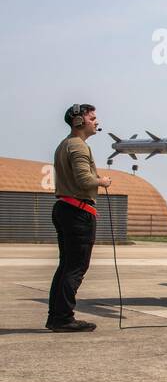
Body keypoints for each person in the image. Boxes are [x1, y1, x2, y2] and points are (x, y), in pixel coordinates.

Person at [47, 103, 112, 332]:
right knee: (75, 268)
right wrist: (102, 181)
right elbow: (85, 181)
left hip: (67, 208)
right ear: (79, 121)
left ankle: (56, 316)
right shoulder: (78, 146)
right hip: (77, 212)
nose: (96, 122)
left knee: (66, 266)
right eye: (92, 118)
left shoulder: (65, 144)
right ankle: (63, 318)